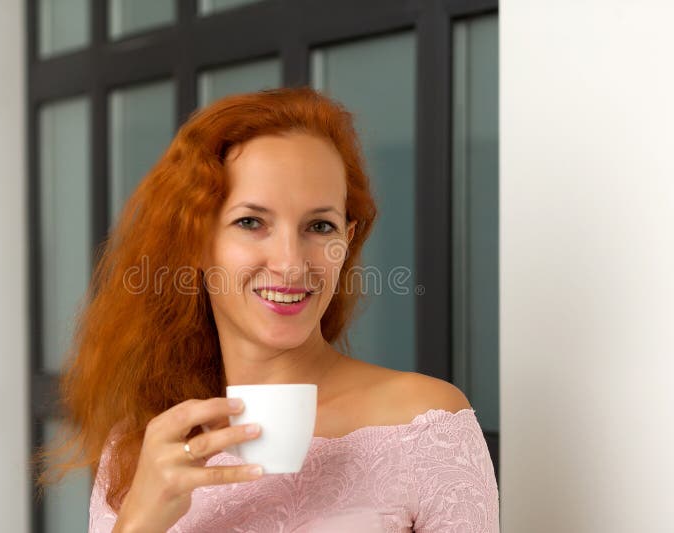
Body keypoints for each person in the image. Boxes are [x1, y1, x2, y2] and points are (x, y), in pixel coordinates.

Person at [36, 86, 500, 532]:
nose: (290, 263)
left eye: (320, 226)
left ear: (348, 240)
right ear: (195, 241)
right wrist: (138, 524)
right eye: (251, 222)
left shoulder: (426, 424)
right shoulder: (140, 447)